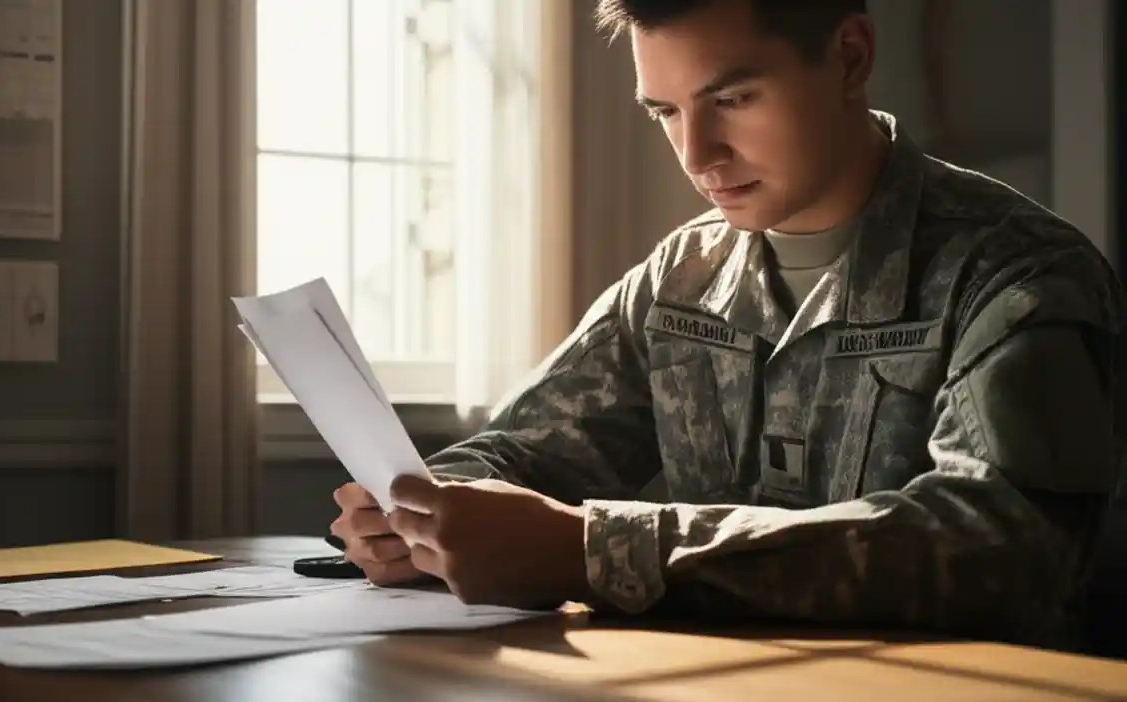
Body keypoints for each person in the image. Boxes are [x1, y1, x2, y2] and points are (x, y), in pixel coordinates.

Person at [330, 0, 1125, 650]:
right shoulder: (680, 280)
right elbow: (525, 453)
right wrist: (423, 516)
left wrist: (593, 551)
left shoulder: (1018, 274)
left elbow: (1003, 550)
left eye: (732, 99)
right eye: (665, 112)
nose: (697, 154)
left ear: (850, 56)